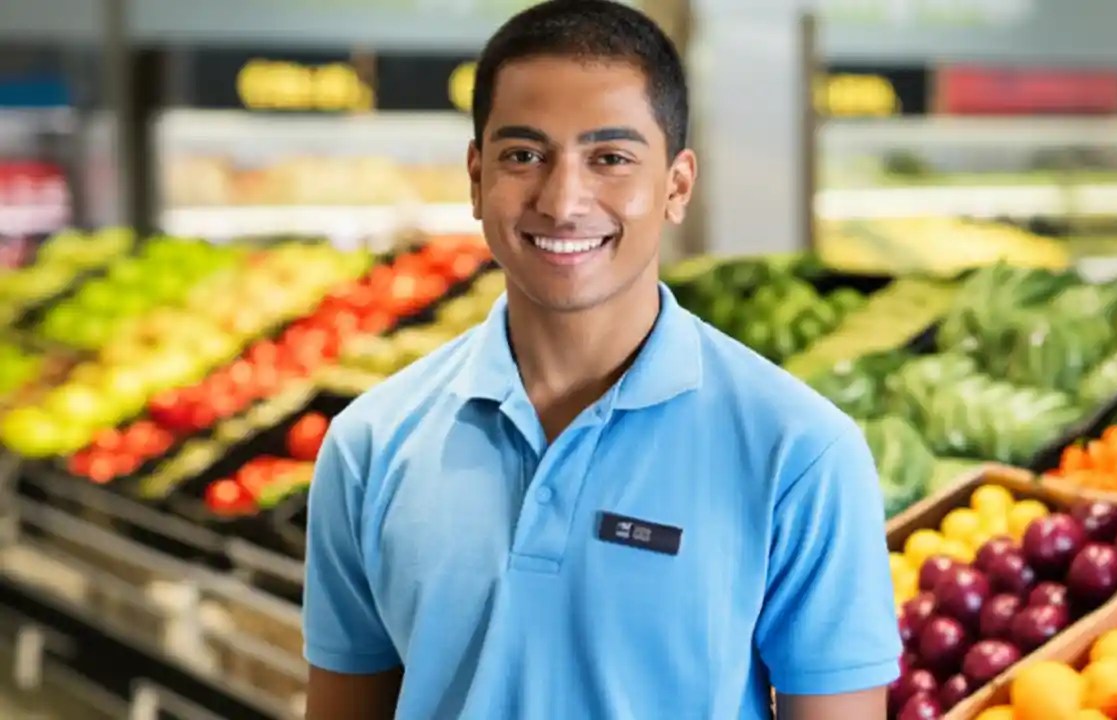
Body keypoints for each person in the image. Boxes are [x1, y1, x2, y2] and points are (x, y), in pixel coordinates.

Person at [301, 1, 902, 718]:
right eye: (523, 156)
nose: (562, 201)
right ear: (475, 177)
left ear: (676, 186)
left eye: (610, 159)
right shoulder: (370, 444)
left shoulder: (799, 451)